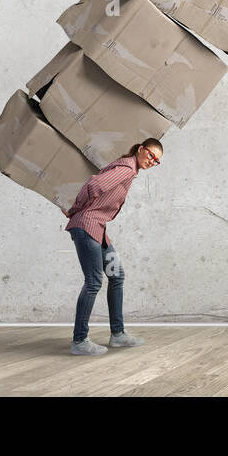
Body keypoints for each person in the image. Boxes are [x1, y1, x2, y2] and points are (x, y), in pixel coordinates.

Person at [62, 138, 163, 355]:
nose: (152, 161)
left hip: (99, 229)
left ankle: (118, 335)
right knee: (93, 281)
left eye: (156, 161)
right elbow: (94, 185)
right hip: (87, 225)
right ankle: (79, 341)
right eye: (150, 155)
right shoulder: (127, 168)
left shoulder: (130, 169)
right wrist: (74, 208)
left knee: (116, 275)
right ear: (140, 149)